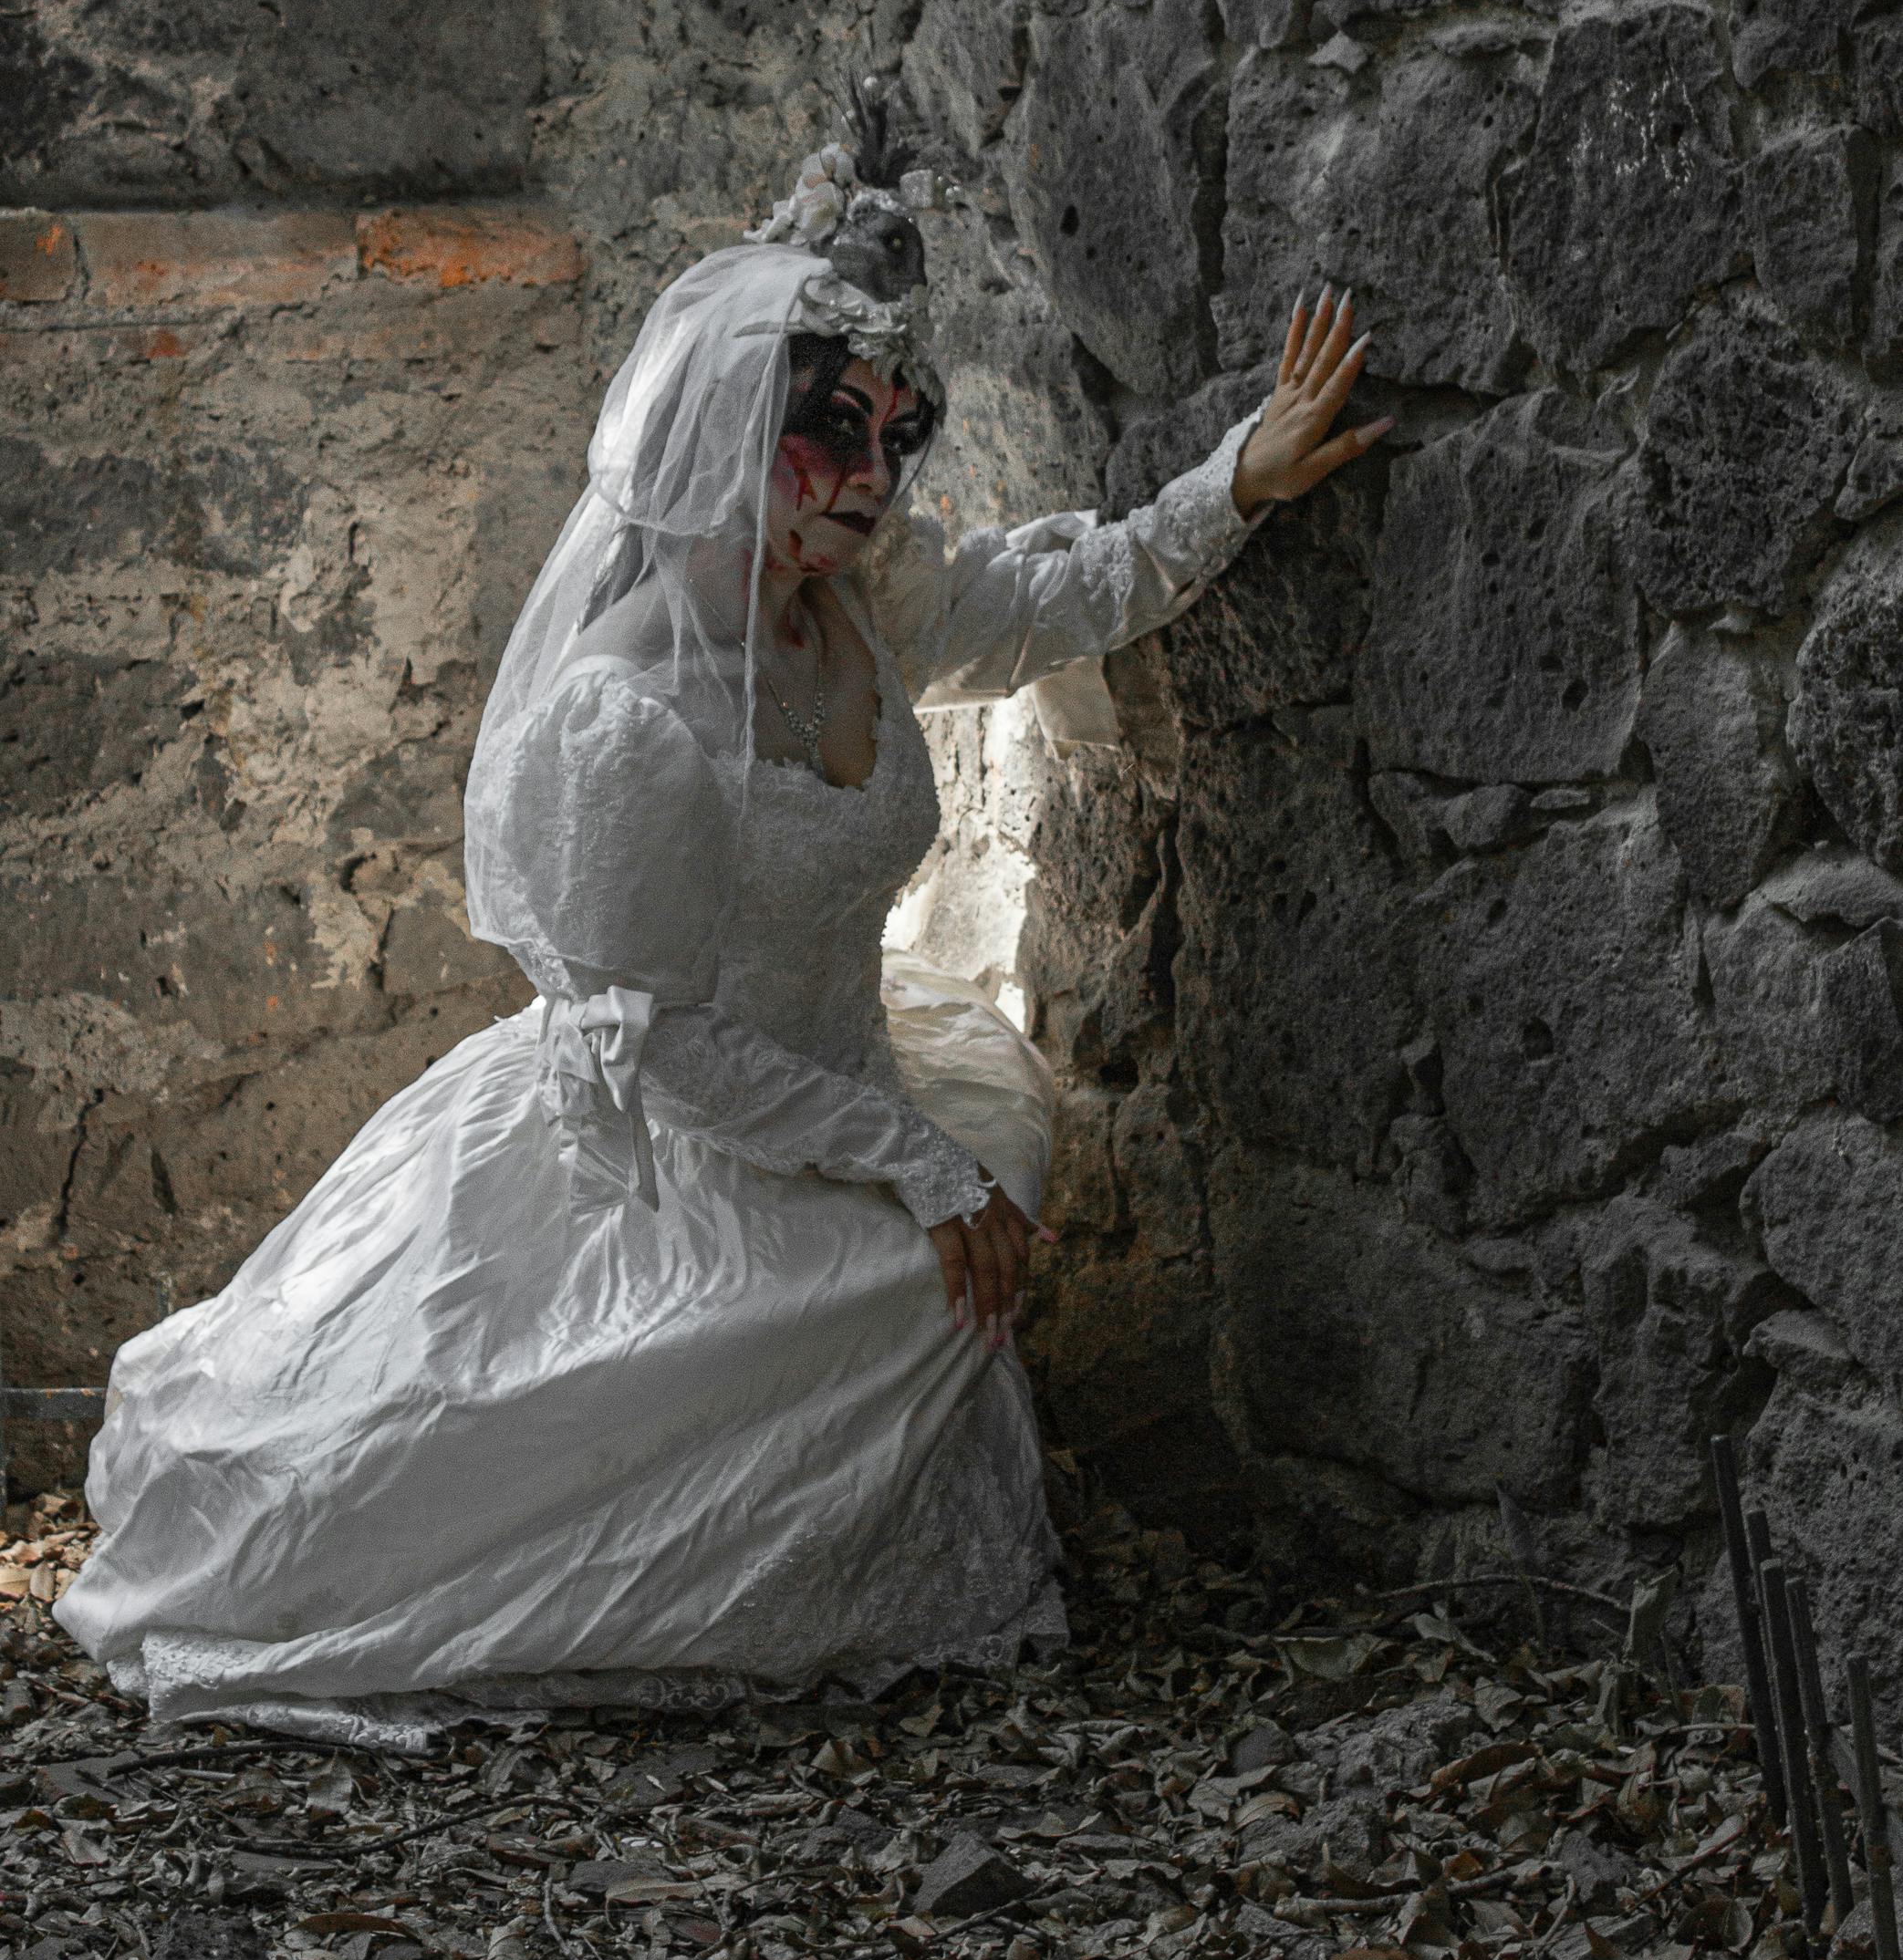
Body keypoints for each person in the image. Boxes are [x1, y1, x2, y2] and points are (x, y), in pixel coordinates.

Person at [55, 139, 1392, 1750]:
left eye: (895, 439)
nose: (870, 483)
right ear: (720, 429)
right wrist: (913, 1158)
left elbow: (1044, 599)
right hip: (669, 1141)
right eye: (827, 434)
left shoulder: (846, 606)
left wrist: (1230, 483)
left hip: (834, 1070)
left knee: (926, 1281)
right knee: (428, 1455)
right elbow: (660, 1043)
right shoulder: (629, 713)